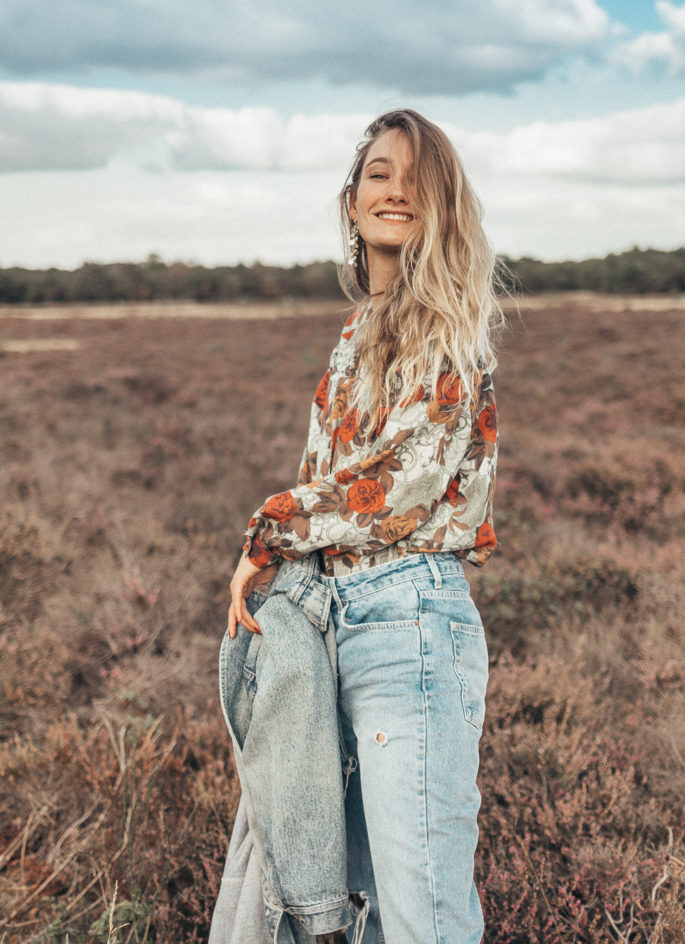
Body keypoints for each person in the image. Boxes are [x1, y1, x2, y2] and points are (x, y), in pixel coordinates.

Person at [225, 108, 504, 943]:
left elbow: (396, 490)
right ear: (352, 202)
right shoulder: (354, 335)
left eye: (415, 176)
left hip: (410, 625)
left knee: (424, 913)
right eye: (378, 173)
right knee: (354, 910)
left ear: (441, 202)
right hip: (335, 624)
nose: (395, 189)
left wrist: (267, 532)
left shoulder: (450, 326)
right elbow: (328, 483)